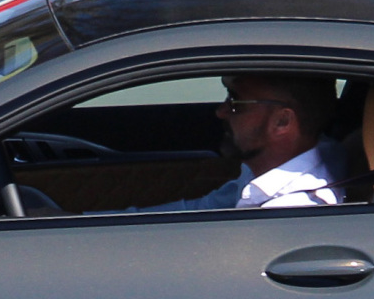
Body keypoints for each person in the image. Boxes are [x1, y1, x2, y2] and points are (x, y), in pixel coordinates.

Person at [148, 73, 346, 210]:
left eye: (235, 102)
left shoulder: (291, 211)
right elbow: (200, 210)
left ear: (282, 121)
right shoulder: (270, 174)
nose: (221, 112)